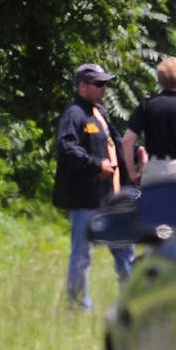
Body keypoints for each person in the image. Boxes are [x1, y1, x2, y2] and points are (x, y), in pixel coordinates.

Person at [51, 63, 135, 311]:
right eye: (98, 84)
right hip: (86, 199)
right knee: (81, 255)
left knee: (125, 251)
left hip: (112, 198)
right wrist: (96, 165)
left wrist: (133, 161)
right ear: (82, 86)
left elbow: (116, 143)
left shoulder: (100, 112)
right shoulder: (74, 114)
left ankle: (132, 303)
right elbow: (66, 148)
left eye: (105, 83)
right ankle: (78, 306)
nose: (104, 88)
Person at [121, 56, 176, 186]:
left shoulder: (146, 106)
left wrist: (132, 173)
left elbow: (127, 141)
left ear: (160, 80)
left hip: (153, 170)